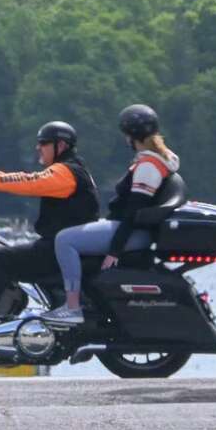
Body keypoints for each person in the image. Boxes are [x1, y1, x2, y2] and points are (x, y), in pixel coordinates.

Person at [0, 122, 99, 336]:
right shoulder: (70, 168)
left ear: (61, 145)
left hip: (59, 248)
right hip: (63, 246)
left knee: (1, 259)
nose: (38, 147)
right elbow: (27, 178)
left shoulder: (66, 172)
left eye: (43, 143)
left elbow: (28, 181)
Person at [42, 105, 178, 327]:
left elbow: (133, 213)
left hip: (132, 232)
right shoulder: (161, 157)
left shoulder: (148, 167)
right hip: (132, 229)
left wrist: (114, 251)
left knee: (64, 240)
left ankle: (72, 307)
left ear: (130, 135)